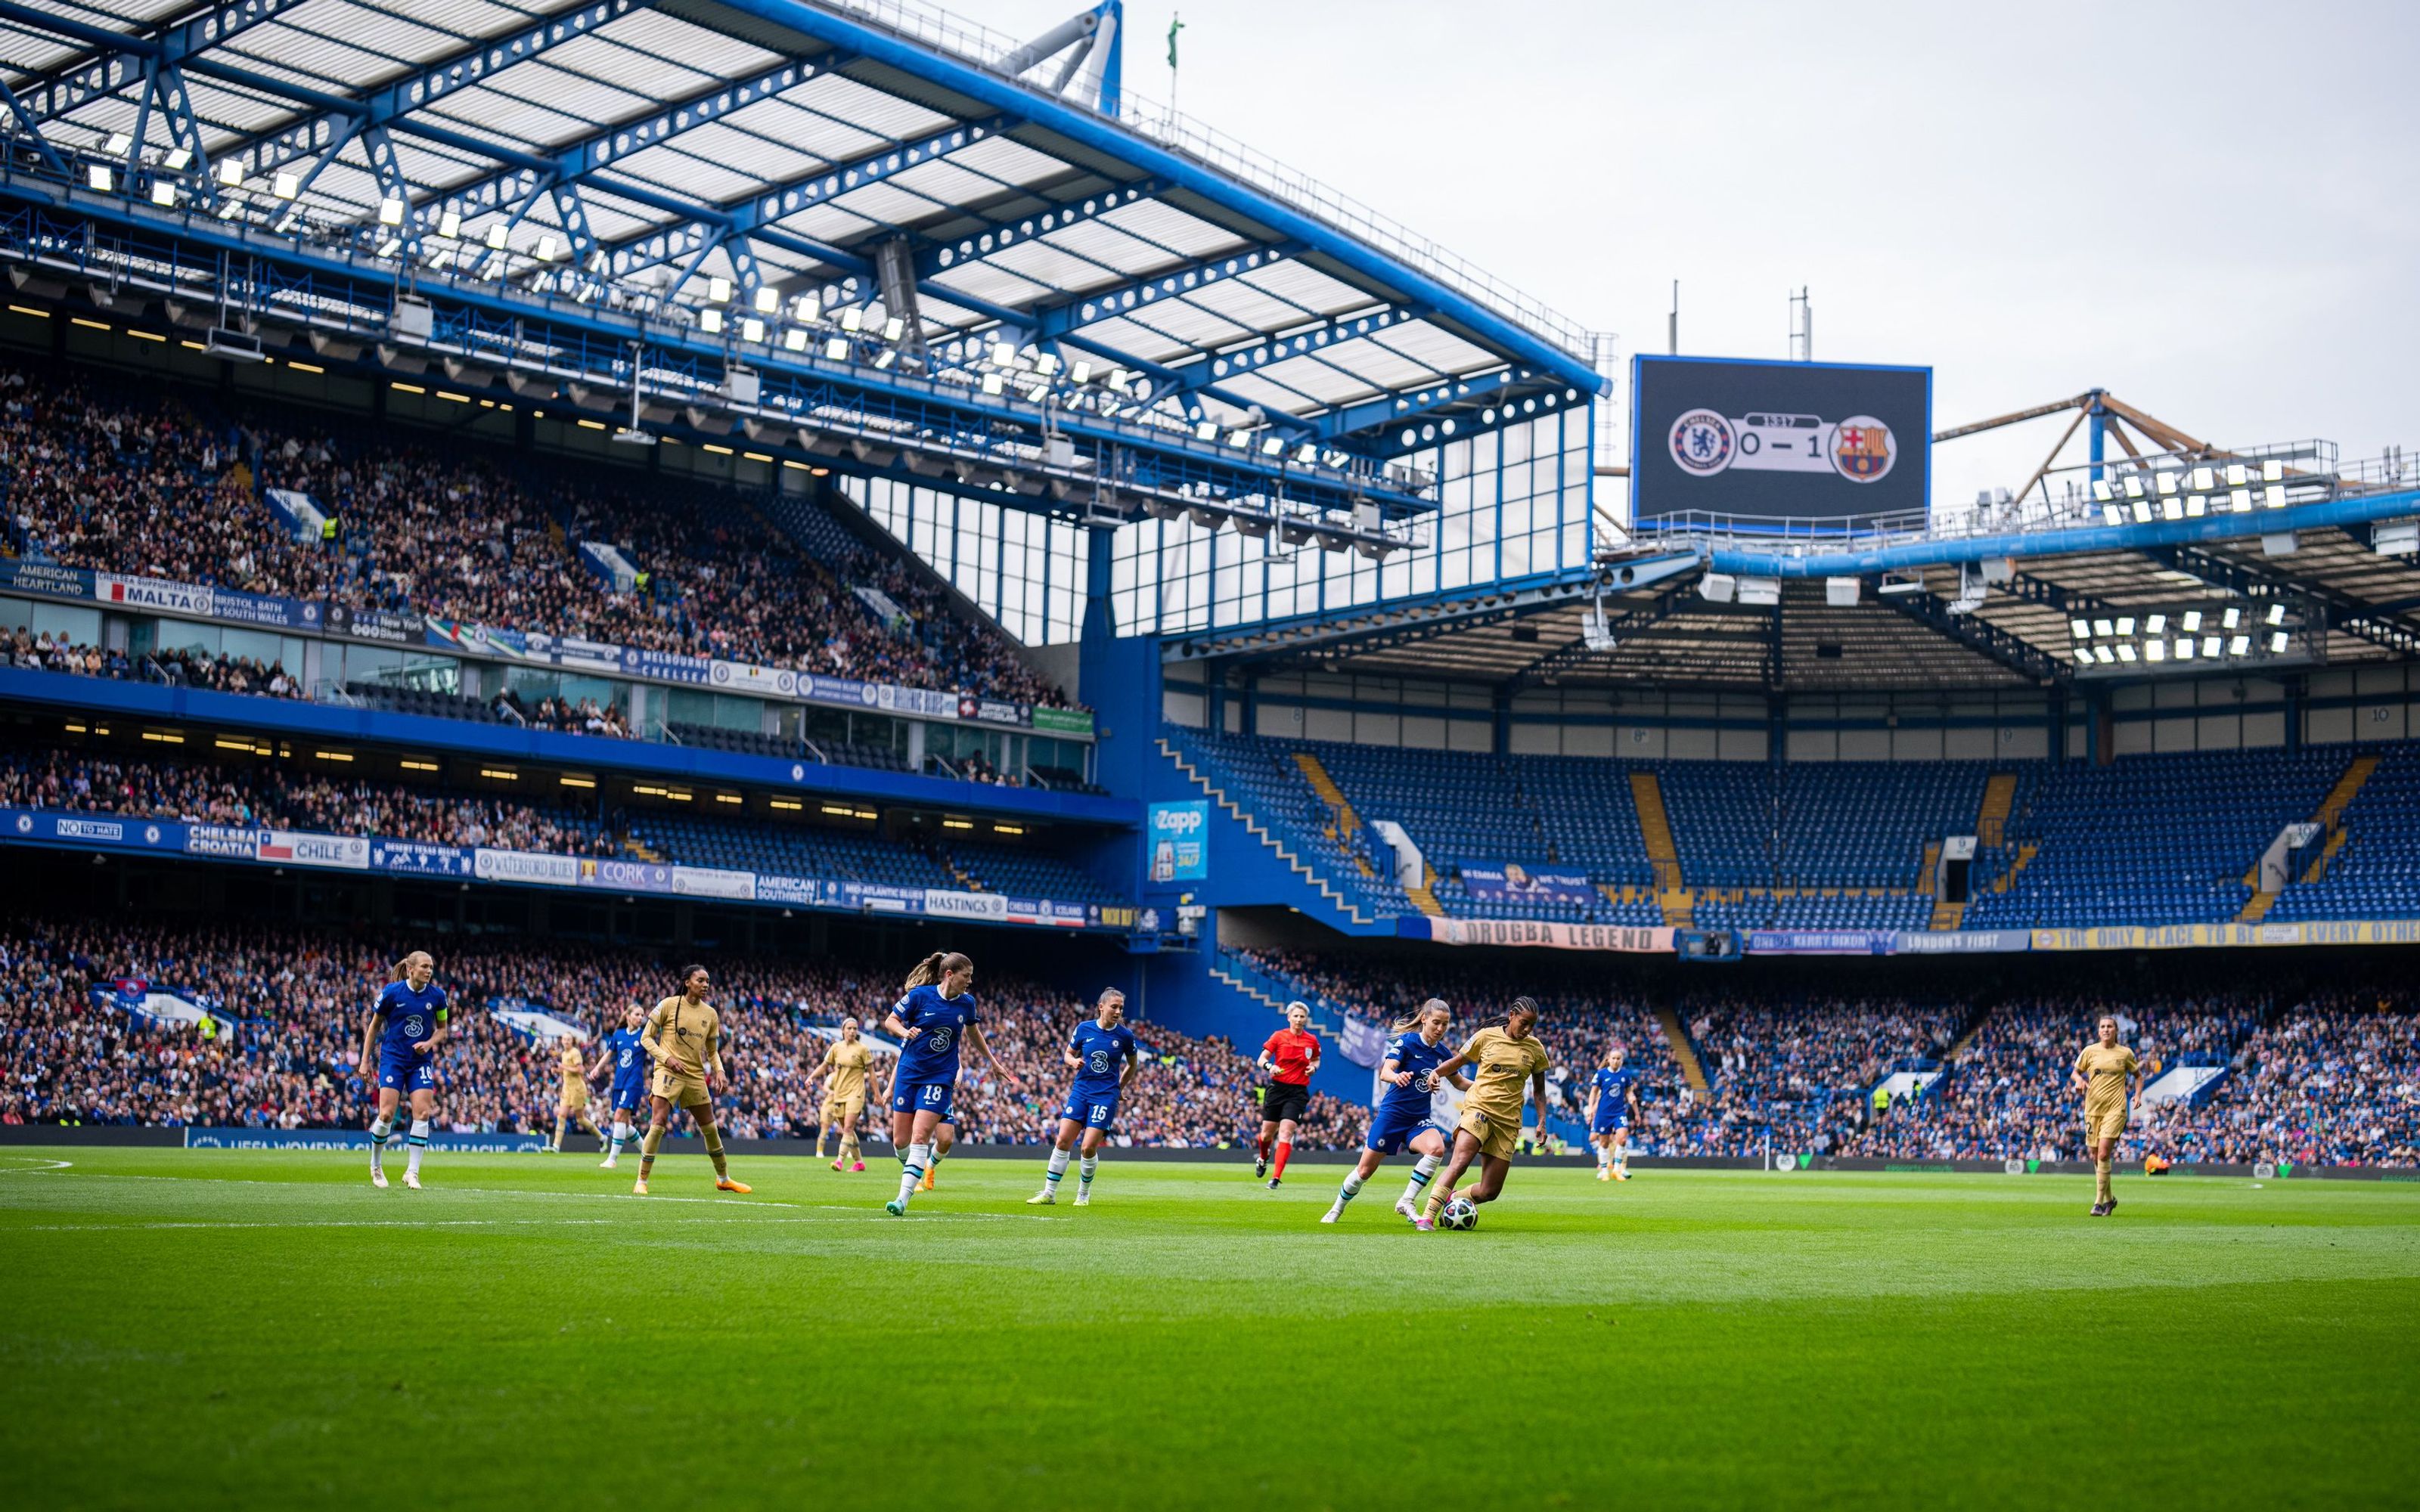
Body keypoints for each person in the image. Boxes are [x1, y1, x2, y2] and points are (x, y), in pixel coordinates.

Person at [882, 951, 1018, 1216]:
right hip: (910, 1073)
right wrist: (904, 1031)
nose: (970, 981)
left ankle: (901, 1199)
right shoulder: (920, 996)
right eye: (966, 976)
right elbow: (890, 1020)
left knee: (920, 1137)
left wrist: (992, 1061)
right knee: (900, 1141)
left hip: (940, 1076)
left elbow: (973, 1032)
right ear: (949, 975)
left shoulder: (967, 1004)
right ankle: (912, 1171)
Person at [1323, 997, 1466, 1225]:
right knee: (1364, 1171)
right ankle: (1336, 1209)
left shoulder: (1443, 1053)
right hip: (1392, 1116)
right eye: (1436, 1022)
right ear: (1424, 1019)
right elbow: (1385, 1071)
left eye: (1445, 1024)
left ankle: (1406, 1201)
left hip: (1418, 1119)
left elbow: (1459, 1083)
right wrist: (1397, 1077)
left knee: (1437, 1149)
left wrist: (1485, 1087)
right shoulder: (1408, 1042)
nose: (1440, 1029)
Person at [1419, 996, 1553, 1233]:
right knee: (1460, 1162)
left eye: (1532, 1025)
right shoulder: (1485, 1037)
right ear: (1512, 1016)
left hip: (1508, 1122)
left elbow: (1539, 1091)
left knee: (1489, 1191)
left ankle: (1453, 1198)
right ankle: (1427, 1218)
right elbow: (1458, 1062)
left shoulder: (1535, 1048)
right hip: (1479, 1109)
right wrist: (1436, 1072)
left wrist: (1542, 1120)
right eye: (1524, 1023)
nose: (1527, 1029)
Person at [632, 965, 752, 1198]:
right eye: (700, 980)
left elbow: (712, 1051)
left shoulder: (711, 1014)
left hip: (695, 1074)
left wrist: (719, 1071)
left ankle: (723, 1179)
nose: (705, 985)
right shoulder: (668, 1004)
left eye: (707, 981)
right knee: (659, 1121)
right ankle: (641, 1180)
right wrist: (667, 1059)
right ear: (687, 982)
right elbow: (646, 1038)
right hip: (667, 1070)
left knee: (710, 1127)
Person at [1029, 988, 1141, 1207]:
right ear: (1101, 1007)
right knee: (1062, 1141)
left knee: (1088, 1147)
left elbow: (1132, 1065)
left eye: (1121, 1008)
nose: (1118, 1011)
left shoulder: (1125, 1036)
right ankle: (1049, 1193)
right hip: (1081, 1091)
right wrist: (1073, 1062)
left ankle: (1083, 1194)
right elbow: (1068, 1054)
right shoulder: (1084, 1029)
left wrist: (1119, 1088)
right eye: (1114, 1007)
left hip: (1105, 1096)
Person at [357, 949, 447, 1190]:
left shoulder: (438, 996)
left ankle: (412, 1172)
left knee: (423, 1114)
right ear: (410, 969)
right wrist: (365, 1061)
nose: (429, 971)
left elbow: (442, 1030)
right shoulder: (391, 992)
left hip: (420, 1061)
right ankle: (376, 1165)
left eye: (431, 967)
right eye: (424, 966)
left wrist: (429, 1043)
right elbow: (374, 1026)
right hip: (393, 1059)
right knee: (386, 1114)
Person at [2071, 1014, 2142, 1216]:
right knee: (2096, 1156)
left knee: (2103, 1154)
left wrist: (2137, 1095)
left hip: (2116, 1109)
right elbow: (2075, 1072)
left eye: (2110, 1026)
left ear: (2116, 1030)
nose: (2106, 1029)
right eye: (2103, 1026)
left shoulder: (2125, 1053)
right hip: (2093, 1109)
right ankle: (2110, 1200)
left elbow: (2138, 1076)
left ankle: (2098, 1202)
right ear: (2098, 1030)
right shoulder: (2089, 1051)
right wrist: (2079, 1081)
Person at [1254, 1000, 1320, 1188]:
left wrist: (1313, 1068)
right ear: (1289, 1018)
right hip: (1277, 1089)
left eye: (1302, 1016)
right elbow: (1261, 1059)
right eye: (1296, 1016)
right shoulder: (1279, 1036)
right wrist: (1270, 1067)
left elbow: (1316, 1060)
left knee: (1285, 1133)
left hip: (1298, 1092)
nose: (1299, 1019)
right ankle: (1263, 1157)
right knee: (1266, 1134)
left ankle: (1275, 1178)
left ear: (1306, 1019)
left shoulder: (1311, 1040)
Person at [806, 1016, 878, 1172]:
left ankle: (839, 1161)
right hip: (839, 1095)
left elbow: (872, 1074)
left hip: (856, 1093)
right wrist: (811, 1077)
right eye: (849, 1028)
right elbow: (824, 1066)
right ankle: (859, 1163)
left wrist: (877, 1094)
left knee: (848, 1127)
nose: (852, 1031)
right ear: (843, 1031)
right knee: (848, 1129)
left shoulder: (862, 1049)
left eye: (855, 1029)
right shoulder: (836, 1048)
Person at [592, 1002, 649, 1170]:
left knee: (618, 1117)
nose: (640, 1018)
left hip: (634, 1083)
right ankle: (647, 1152)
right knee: (624, 1124)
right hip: (619, 1082)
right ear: (628, 1017)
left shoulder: (644, 1036)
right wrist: (597, 1068)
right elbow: (609, 1054)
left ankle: (612, 1159)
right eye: (637, 1014)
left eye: (642, 1015)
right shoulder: (619, 1034)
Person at [1584, 1045, 1643, 1182]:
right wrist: (1591, 1109)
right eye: (1614, 1058)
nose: (1616, 1061)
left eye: (1618, 1059)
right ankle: (1605, 1171)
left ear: (1622, 1060)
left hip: (1619, 1112)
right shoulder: (1601, 1074)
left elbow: (1629, 1092)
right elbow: (1593, 1093)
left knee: (1622, 1139)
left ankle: (1617, 1170)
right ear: (1609, 1059)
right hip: (1603, 1114)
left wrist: (1636, 1110)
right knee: (1604, 1143)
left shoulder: (1625, 1075)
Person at [548, 1038, 603, 1154]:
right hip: (567, 1090)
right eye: (564, 1039)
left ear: (572, 1042)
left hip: (578, 1090)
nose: (566, 1041)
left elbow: (580, 1070)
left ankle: (601, 1137)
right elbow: (568, 1072)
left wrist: (563, 1067)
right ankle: (556, 1146)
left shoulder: (575, 1052)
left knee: (580, 1119)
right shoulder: (564, 1054)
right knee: (561, 1116)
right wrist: (557, 1071)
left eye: (568, 1039)